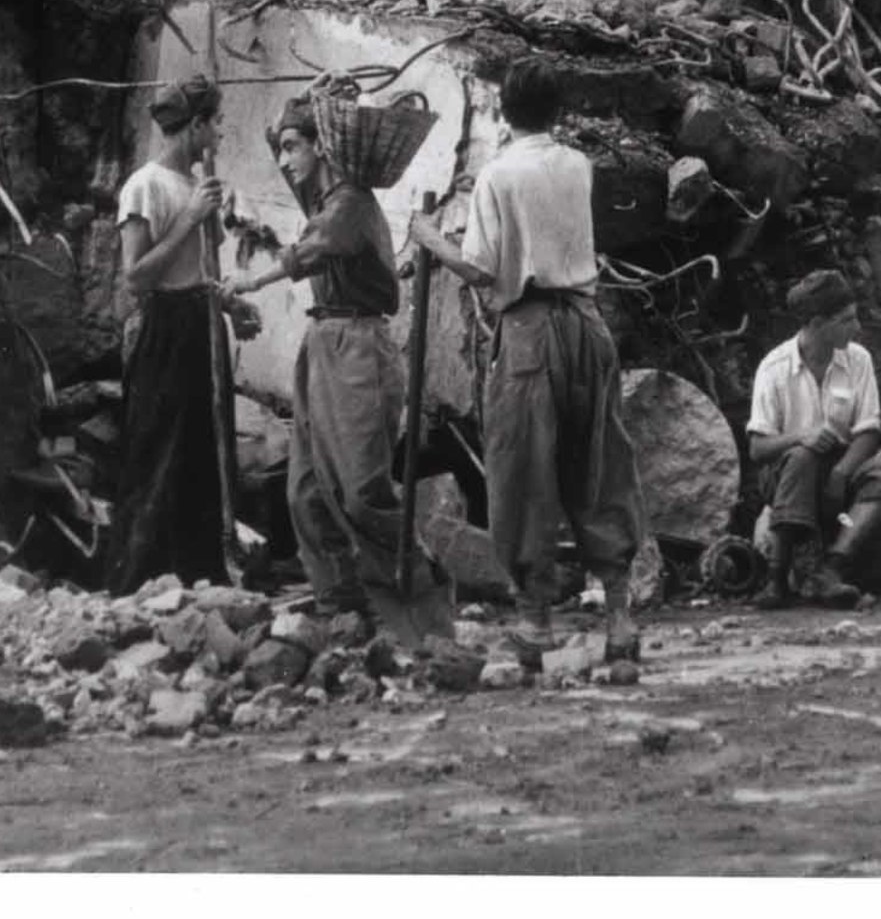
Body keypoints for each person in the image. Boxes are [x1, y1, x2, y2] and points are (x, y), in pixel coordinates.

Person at [410, 62, 644, 675]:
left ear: (503, 111)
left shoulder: (498, 174)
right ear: (556, 111)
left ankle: (536, 622)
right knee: (599, 464)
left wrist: (430, 238)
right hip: (588, 325)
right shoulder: (577, 164)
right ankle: (620, 617)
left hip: (530, 331)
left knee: (524, 469)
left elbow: (481, 269)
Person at [215, 96, 436, 615]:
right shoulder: (321, 196)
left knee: (361, 490)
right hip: (322, 340)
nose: (285, 159)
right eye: (283, 148)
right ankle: (340, 601)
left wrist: (250, 281)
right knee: (306, 489)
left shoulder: (350, 202)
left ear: (321, 147)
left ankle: (418, 590)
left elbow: (308, 252)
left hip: (358, 343)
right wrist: (303, 102)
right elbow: (285, 148)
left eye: (293, 147)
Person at [110, 80, 228, 591]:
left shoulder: (197, 184)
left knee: (199, 454)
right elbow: (136, 277)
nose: (220, 133)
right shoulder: (146, 185)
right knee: (157, 453)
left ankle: (196, 579)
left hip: (199, 321)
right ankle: (136, 581)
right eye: (215, 122)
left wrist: (232, 304)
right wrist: (190, 218)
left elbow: (198, 269)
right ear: (196, 125)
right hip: (165, 328)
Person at [745, 272, 881, 607]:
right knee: (802, 457)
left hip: (841, 472)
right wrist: (800, 437)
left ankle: (831, 569)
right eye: (846, 320)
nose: (857, 328)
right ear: (817, 324)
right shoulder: (774, 368)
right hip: (785, 480)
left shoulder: (858, 359)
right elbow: (757, 449)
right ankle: (776, 578)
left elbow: (868, 430)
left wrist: (840, 473)